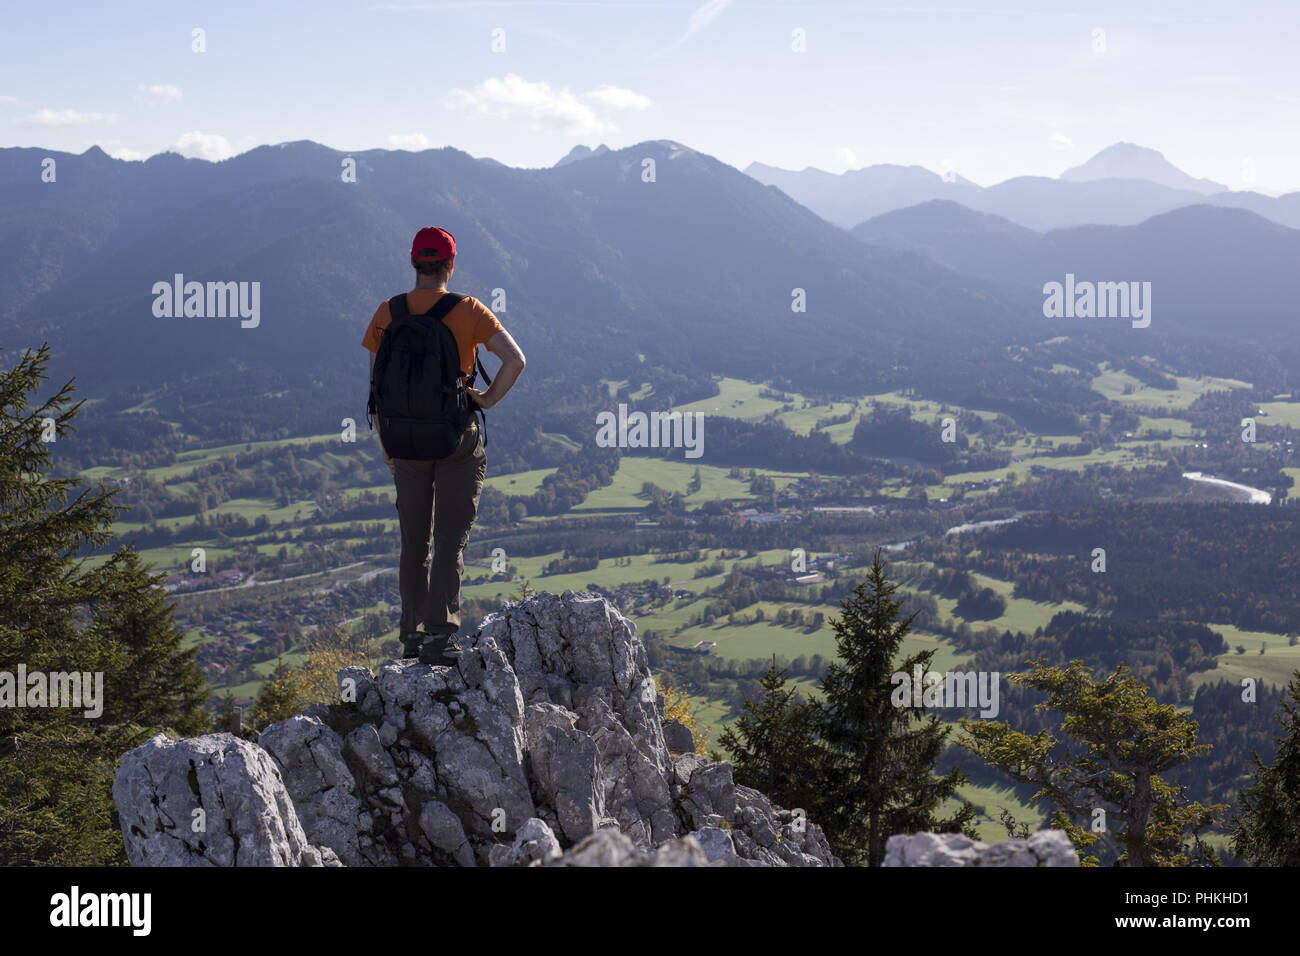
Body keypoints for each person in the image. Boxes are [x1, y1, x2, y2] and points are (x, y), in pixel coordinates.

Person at [362, 227, 526, 665]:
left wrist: (387, 445)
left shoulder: (388, 312)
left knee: (413, 543)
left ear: (414, 263)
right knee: (449, 542)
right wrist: (486, 399)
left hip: (405, 445)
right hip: (455, 440)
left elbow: (377, 387)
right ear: (450, 265)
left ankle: (412, 636)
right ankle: (440, 637)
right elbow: (515, 360)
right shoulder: (468, 310)